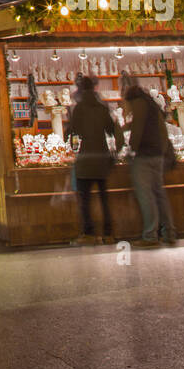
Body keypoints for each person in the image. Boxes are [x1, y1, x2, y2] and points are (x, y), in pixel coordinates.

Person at [66, 77, 123, 244]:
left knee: (85, 199)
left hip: (85, 159)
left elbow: (73, 133)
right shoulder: (102, 108)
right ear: (94, 88)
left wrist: (73, 149)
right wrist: (115, 152)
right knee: (104, 198)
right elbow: (113, 131)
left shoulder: (79, 109)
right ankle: (108, 233)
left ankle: (89, 234)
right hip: (102, 158)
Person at [124, 83, 177, 247]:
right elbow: (158, 130)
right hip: (157, 155)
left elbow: (138, 130)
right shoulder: (151, 105)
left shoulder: (139, 104)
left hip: (145, 156)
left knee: (146, 195)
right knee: (159, 195)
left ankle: (150, 236)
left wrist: (130, 148)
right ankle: (169, 233)